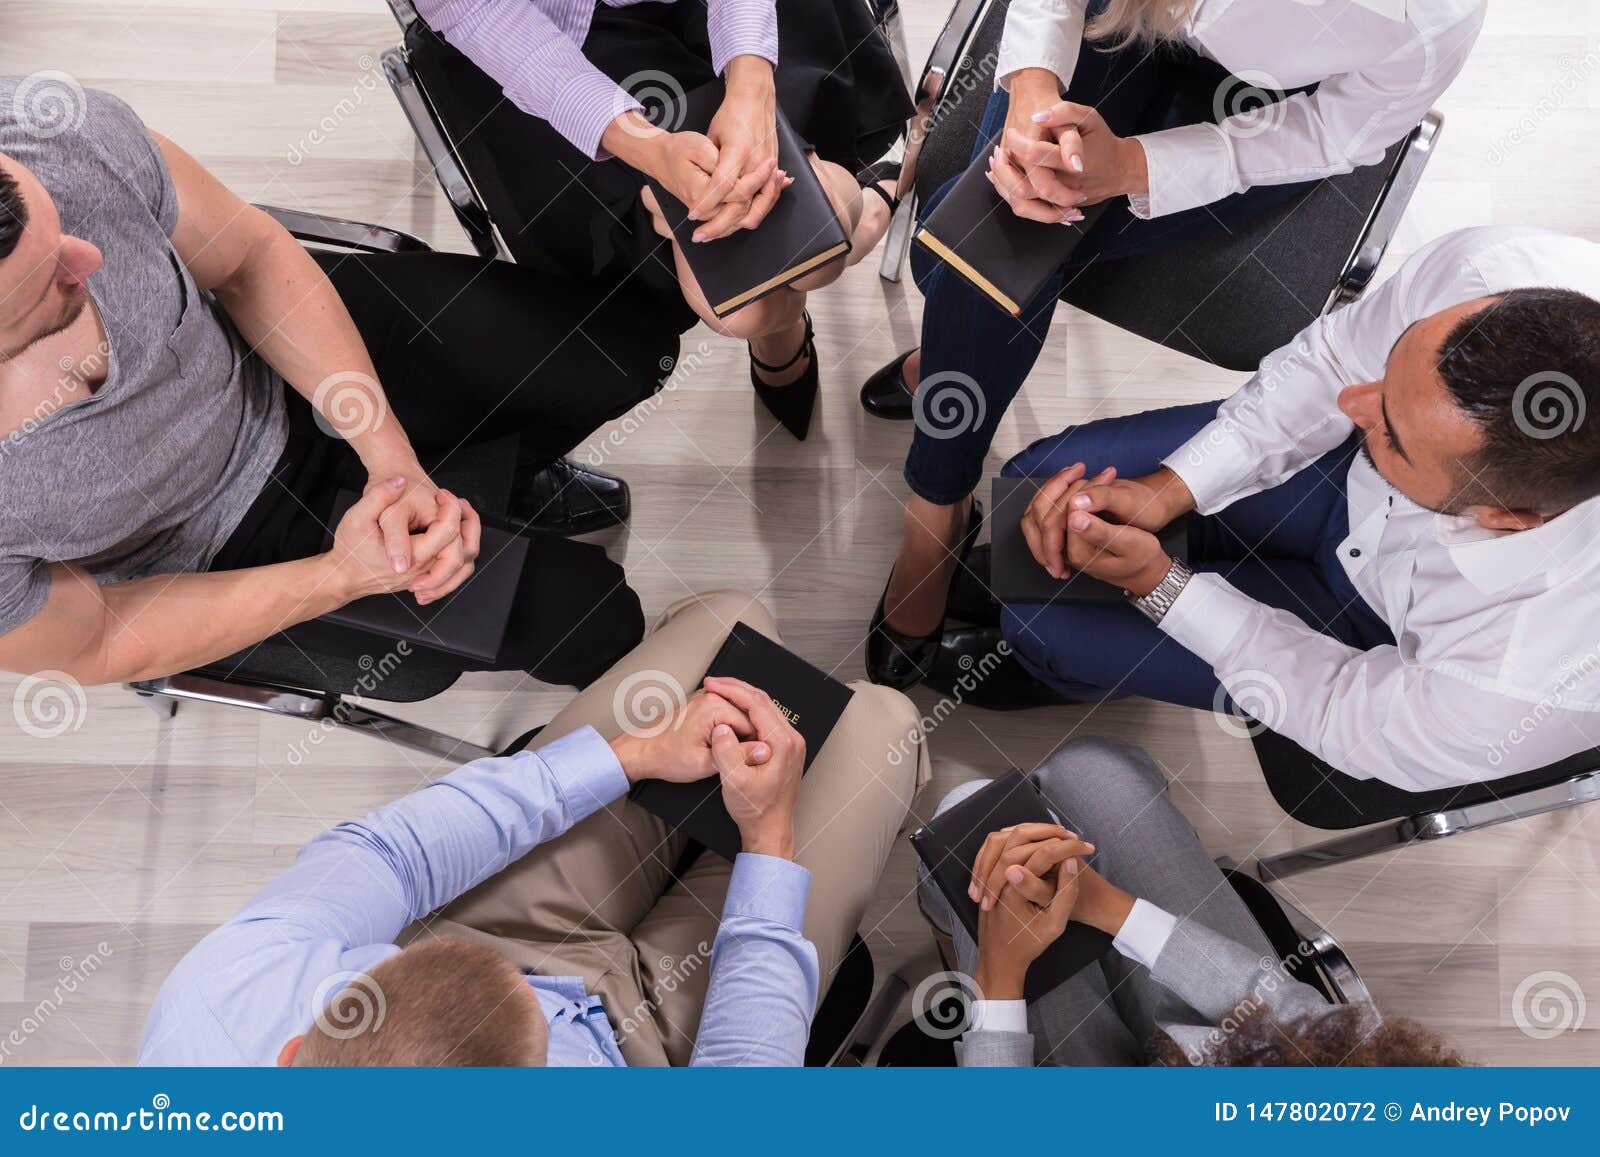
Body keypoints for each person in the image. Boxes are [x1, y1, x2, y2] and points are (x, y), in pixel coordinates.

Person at [861, 0, 1486, 688]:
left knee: (975, 250)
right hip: (1108, 18)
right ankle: (940, 502)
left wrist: (1133, 165)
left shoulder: (1424, 17)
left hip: (1262, 107)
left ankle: (944, 413)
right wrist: (1034, 87)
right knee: (986, 241)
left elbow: (1332, 132)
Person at [0, 79, 662, 691]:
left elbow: (250, 257)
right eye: (45, 282)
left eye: (55, 224)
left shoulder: (46, 130)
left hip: (274, 365)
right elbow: (99, 639)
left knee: (626, 353)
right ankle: (490, 490)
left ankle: (498, 480)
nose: (87, 255)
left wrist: (392, 464)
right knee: (599, 619)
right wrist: (341, 577)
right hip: (217, 557)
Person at [138, 591, 928, 1066]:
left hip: (480, 933)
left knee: (733, 624)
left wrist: (628, 755)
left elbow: (395, 855)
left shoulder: (220, 1001)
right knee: (885, 724)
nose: (550, 1001)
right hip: (648, 1061)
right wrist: (769, 844)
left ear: (291, 1048)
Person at [939, 226, 1600, 791]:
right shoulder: (1494, 273)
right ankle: (1023, 601)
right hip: (1341, 476)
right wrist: (1169, 488)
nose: (1353, 403)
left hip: (1371, 635)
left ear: (1511, 517)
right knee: (1036, 482)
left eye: (1392, 430)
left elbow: (1345, 712)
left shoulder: (1536, 675)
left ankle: (1049, 665)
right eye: (1394, 366)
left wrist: (1159, 584)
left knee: (1043, 627)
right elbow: (1336, 362)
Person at [414, 0, 915, 439]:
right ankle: (858, 220)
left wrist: (750, 89)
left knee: (812, 258)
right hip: (549, 40)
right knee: (746, 305)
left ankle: (809, 275)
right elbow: (479, 12)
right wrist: (646, 148)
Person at [922, 737, 1465, 1066]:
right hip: (1222, 1045)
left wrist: (999, 975)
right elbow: (1295, 1017)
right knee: (1097, 769)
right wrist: (1110, 906)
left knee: (968, 815)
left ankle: (944, 914)